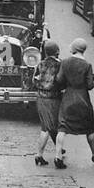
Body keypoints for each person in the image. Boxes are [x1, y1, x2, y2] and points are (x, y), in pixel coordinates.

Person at [53, 38, 94, 169]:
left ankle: (58, 156)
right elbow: (90, 86)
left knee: (62, 128)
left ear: (74, 48)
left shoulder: (65, 62)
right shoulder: (87, 65)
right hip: (83, 100)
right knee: (90, 129)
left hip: (68, 98)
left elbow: (59, 80)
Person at [33, 39, 62, 167]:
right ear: (57, 52)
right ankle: (39, 155)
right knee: (48, 128)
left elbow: (34, 80)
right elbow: (61, 81)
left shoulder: (40, 64)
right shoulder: (59, 65)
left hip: (40, 98)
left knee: (46, 125)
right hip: (53, 99)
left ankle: (56, 151)